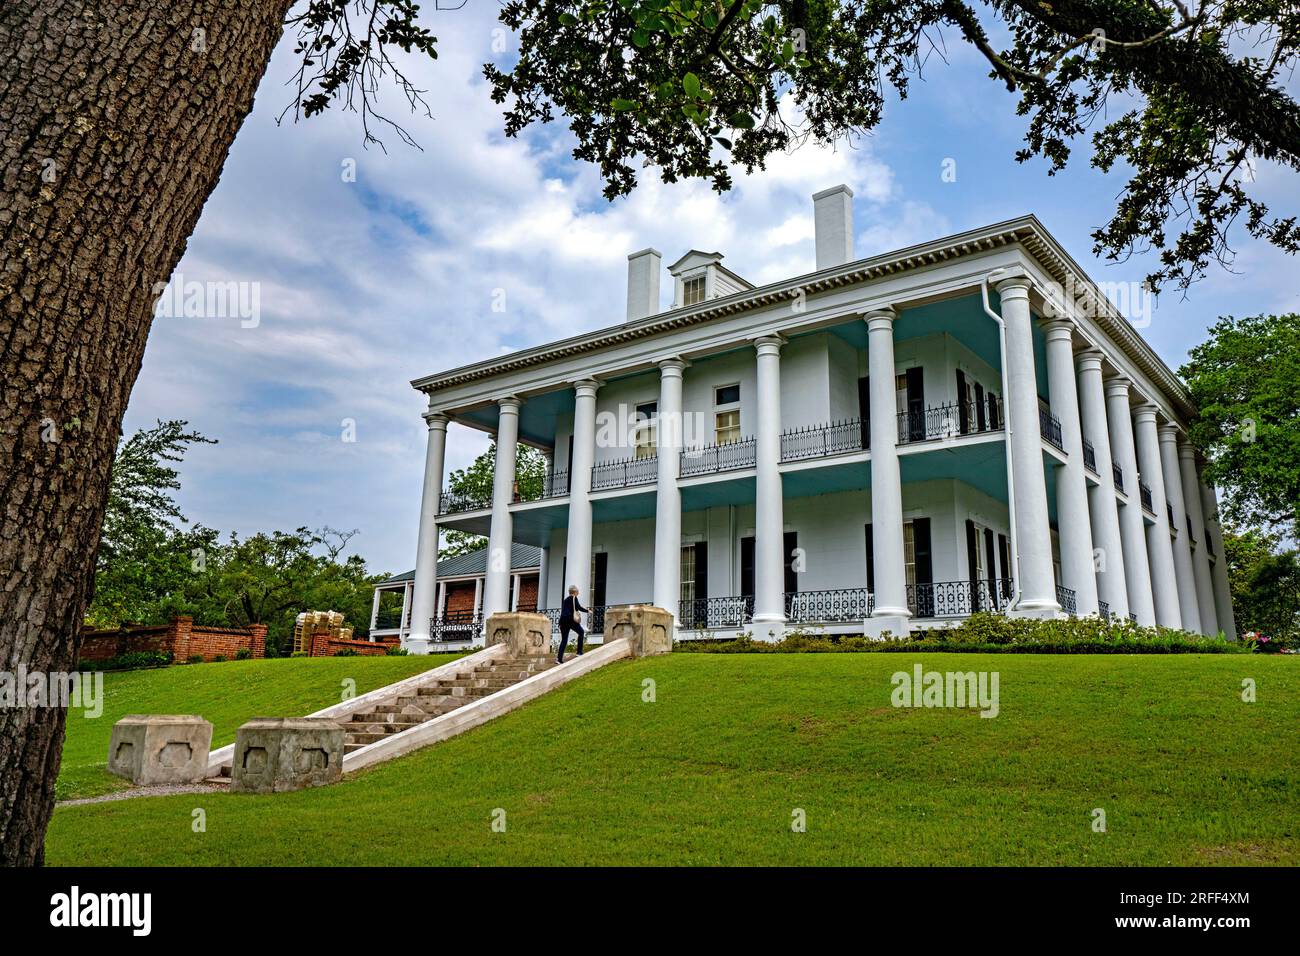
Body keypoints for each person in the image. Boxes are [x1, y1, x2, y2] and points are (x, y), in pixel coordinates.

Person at [557, 584, 587, 663]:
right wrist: (588, 611)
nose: (578, 593)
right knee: (581, 632)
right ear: (575, 592)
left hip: (562, 621)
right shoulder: (574, 598)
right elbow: (578, 608)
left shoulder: (566, 599)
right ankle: (579, 652)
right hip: (570, 620)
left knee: (564, 640)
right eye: (578, 592)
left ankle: (559, 659)